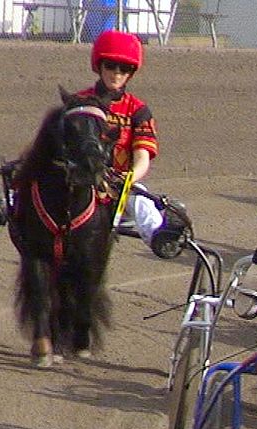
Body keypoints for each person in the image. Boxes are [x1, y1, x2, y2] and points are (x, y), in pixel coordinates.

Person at [81, 30, 187, 258]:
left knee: (141, 201)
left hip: (118, 185)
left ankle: (160, 236)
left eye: (125, 68)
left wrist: (128, 178)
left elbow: (142, 158)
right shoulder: (80, 102)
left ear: (131, 73)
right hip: (81, 179)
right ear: (99, 66)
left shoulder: (137, 111)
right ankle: (11, 205)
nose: (117, 73)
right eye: (111, 66)